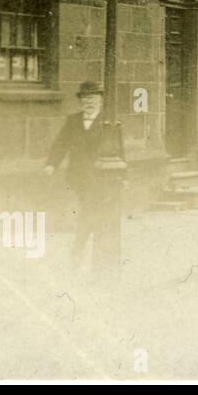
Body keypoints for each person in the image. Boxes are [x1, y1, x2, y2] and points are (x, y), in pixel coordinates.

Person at [44, 80, 126, 279]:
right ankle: (82, 248)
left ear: (100, 100)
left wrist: (124, 176)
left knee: (89, 210)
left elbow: (120, 150)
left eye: (93, 98)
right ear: (81, 101)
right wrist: (51, 164)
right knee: (90, 210)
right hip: (79, 175)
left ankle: (78, 249)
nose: (89, 102)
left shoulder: (110, 122)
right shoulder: (73, 120)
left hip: (101, 177)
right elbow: (60, 143)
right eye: (85, 98)